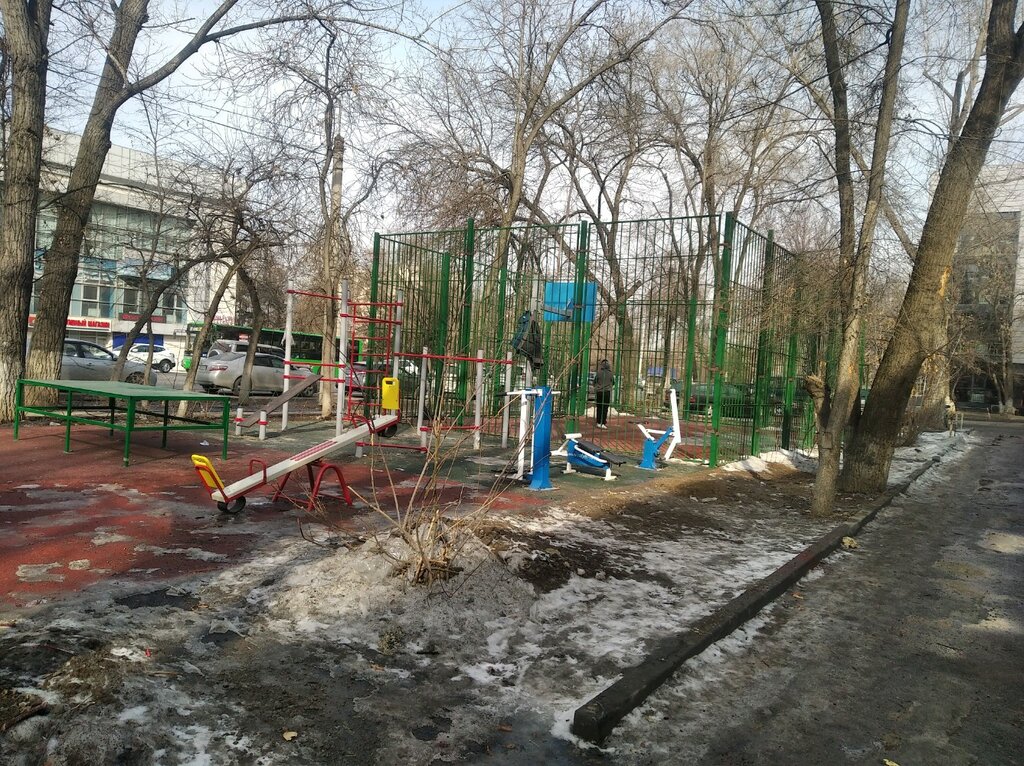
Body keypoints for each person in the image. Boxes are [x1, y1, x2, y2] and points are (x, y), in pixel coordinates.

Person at [594, 359, 614, 429]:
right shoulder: (610, 373)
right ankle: (603, 422)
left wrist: (597, 386)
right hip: (606, 392)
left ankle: (598, 422)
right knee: (605, 408)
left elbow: (594, 381)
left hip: (599, 392)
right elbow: (613, 382)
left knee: (599, 407)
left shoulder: (598, 373)